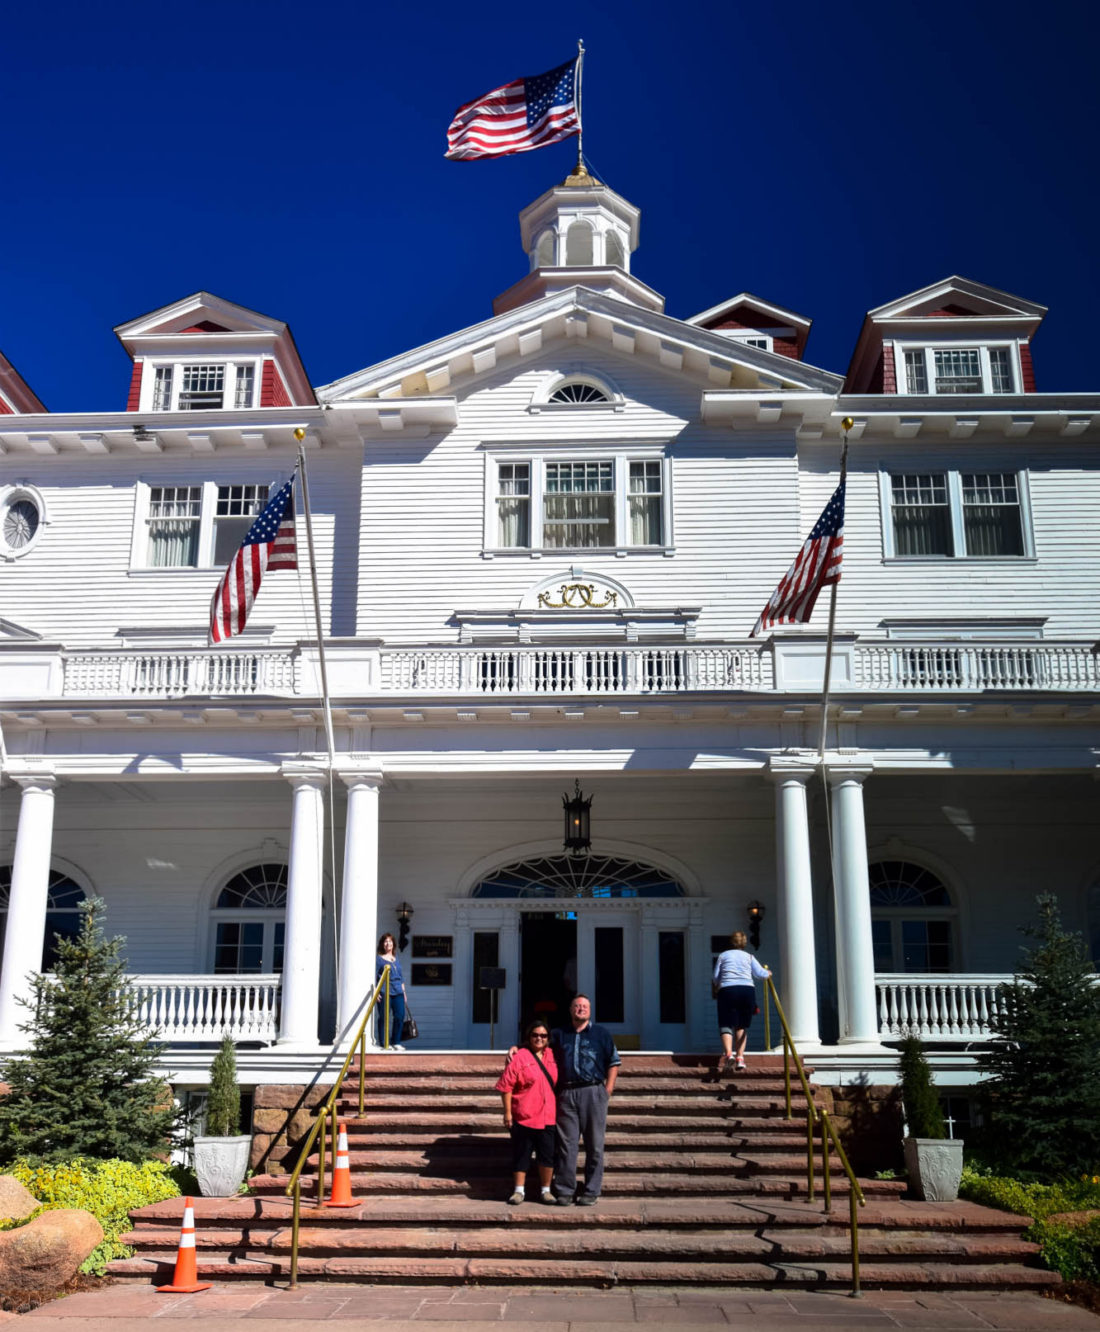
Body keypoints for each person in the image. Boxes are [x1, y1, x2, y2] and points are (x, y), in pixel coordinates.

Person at [550, 994, 620, 1206]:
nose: (581, 1009)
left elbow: (614, 1062)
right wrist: (518, 1048)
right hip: (567, 1093)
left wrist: (607, 1089)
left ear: (590, 1011)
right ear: (571, 1010)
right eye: (577, 1006)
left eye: (585, 1006)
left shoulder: (601, 1034)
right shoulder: (558, 1034)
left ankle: (591, 1190)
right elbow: (538, 1049)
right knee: (566, 1145)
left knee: (595, 1144)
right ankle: (564, 1190)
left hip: (593, 1092)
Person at [495, 1020, 559, 1205]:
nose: (539, 1038)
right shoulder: (519, 1056)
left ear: (548, 1038)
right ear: (528, 1037)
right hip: (524, 1115)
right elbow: (506, 1087)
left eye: (543, 1035)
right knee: (521, 1154)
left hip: (548, 1115)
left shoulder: (554, 1055)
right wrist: (507, 1113)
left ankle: (546, 1191)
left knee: (546, 1155)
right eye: (535, 1035)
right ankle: (518, 1191)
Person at [713, 930, 771, 1073]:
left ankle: (728, 1054)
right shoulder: (749, 957)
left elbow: (715, 977)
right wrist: (768, 973)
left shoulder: (723, 956)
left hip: (727, 991)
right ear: (744, 944)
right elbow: (760, 974)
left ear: (731, 942)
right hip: (746, 991)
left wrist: (720, 984)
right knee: (741, 1025)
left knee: (726, 1023)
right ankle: (740, 1058)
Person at [375, 932, 407, 1050]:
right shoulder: (379, 960)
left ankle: (396, 1041)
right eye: (386, 941)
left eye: (390, 941)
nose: (388, 943)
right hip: (384, 991)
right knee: (384, 1017)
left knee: (399, 1016)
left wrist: (404, 992)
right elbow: (373, 976)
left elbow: (400, 976)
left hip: (398, 991)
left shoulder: (395, 958)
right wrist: (376, 991)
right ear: (382, 944)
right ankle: (384, 1043)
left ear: (393, 944)